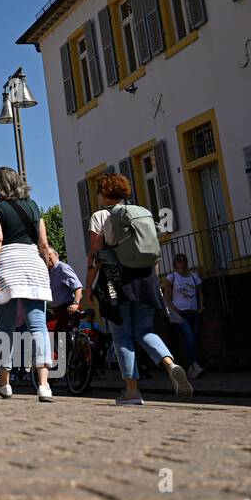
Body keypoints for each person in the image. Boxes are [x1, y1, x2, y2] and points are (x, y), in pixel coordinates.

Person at [83, 172, 192, 405]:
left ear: (105, 192)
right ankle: (170, 364)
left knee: (122, 335)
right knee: (145, 330)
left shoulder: (100, 216)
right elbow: (154, 252)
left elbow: (95, 255)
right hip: (145, 280)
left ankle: (132, 391)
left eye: (99, 191)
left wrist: (88, 286)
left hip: (116, 280)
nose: (98, 195)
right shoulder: (140, 213)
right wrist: (154, 282)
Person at [0, 166, 55, 402]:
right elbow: (43, 243)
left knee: (6, 327)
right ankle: (44, 385)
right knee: (38, 326)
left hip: (9, 265)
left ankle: (5, 382)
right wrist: (47, 265)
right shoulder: (33, 206)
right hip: (33, 264)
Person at [162, 254, 205, 379]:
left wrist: (201, 307)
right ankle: (194, 365)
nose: (182, 263)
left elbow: (199, 293)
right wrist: (175, 310)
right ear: (175, 263)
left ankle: (191, 368)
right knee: (190, 337)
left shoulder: (194, 277)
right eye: (179, 261)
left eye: (184, 260)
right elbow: (167, 297)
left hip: (193, 312)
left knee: (194, 339)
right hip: (181, 314)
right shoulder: (172, 277)